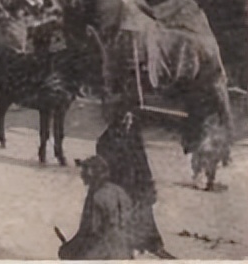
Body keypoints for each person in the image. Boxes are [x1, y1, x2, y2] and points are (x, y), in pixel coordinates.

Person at [96, 107, 170, 258]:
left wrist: (148, 181)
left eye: (130, 119)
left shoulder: (134, 136)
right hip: (119, 183)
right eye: (125, 119)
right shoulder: (107, 139)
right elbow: (106, 165)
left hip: (136, 181)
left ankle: (153, 244)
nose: (128, 122)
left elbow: (142, 160)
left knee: (145, 211)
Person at [59, 156, 133, 261]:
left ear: (93, 173)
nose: (81, 175)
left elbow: (90, 233)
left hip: (101, 253)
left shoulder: (96, 197)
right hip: (125, 252)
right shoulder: (119, 191)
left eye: (85, 171)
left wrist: (69, 249)